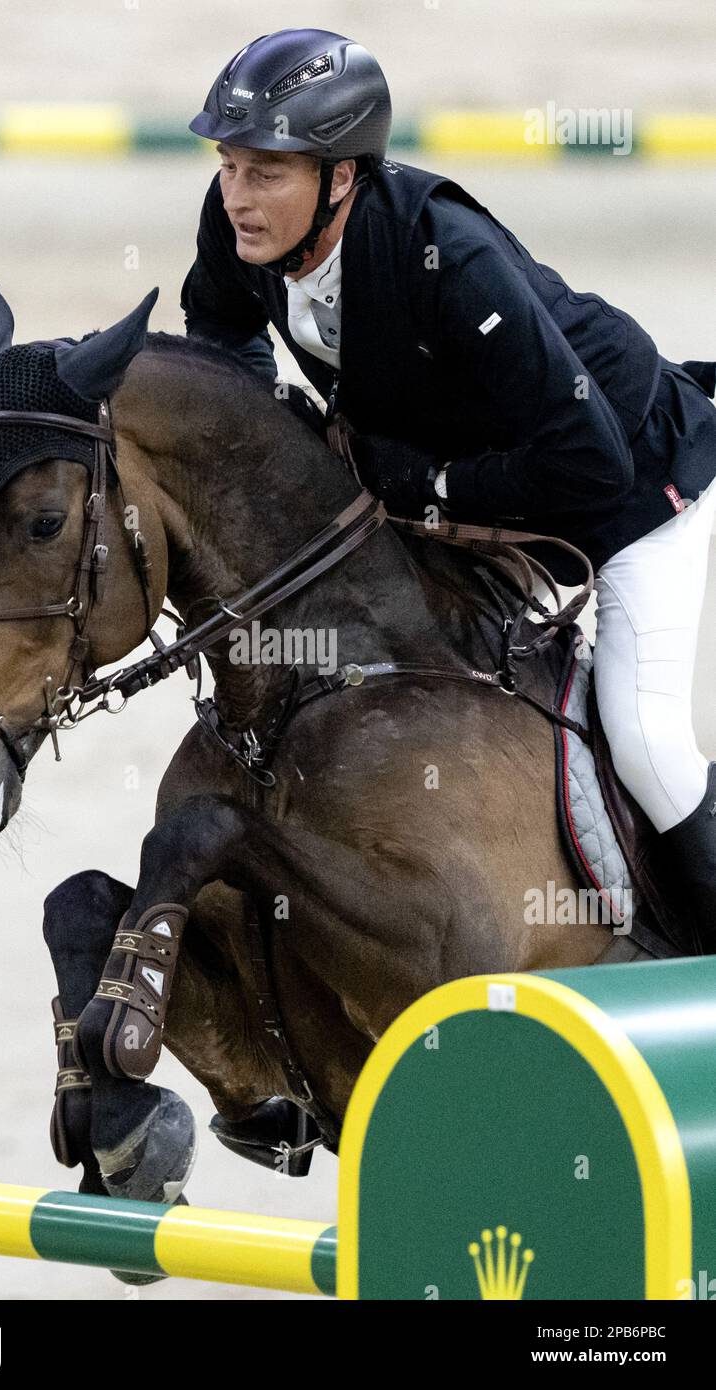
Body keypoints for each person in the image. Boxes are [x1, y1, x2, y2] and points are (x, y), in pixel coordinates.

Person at [181, 27, 716, 947]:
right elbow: (217, 332)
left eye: (267, 171)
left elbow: (589, 459)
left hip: (630, 477)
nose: (238, 195)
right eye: (230, 163)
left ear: (341, 177)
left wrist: (420, 486)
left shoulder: (448, 256)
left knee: (645, 741)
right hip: (472, 480)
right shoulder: (243, 228)